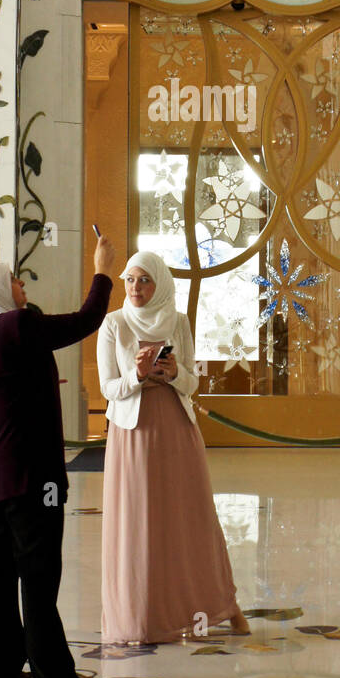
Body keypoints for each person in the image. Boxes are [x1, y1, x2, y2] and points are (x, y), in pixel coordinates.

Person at [0, 237, 116, 678]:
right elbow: (86, 320)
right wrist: (102, 270)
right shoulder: (17, 326)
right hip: (31, 477)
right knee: (40, 569)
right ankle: (56, 674)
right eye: (13, 279)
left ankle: (2, 666)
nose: (21, 283)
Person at [97, 250, 250, 644]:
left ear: (160, 284)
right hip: (133, 434)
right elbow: (108, 388)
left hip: (176, 428)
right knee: (139, 523)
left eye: (144, 280)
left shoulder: (178, 321)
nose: (136, 288)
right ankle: (139, 619)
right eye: (130, 280)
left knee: (191, 518)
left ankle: (222, 605)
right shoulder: (113, 324)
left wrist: (173, 372)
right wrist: (136, 374)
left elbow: (193, 383)